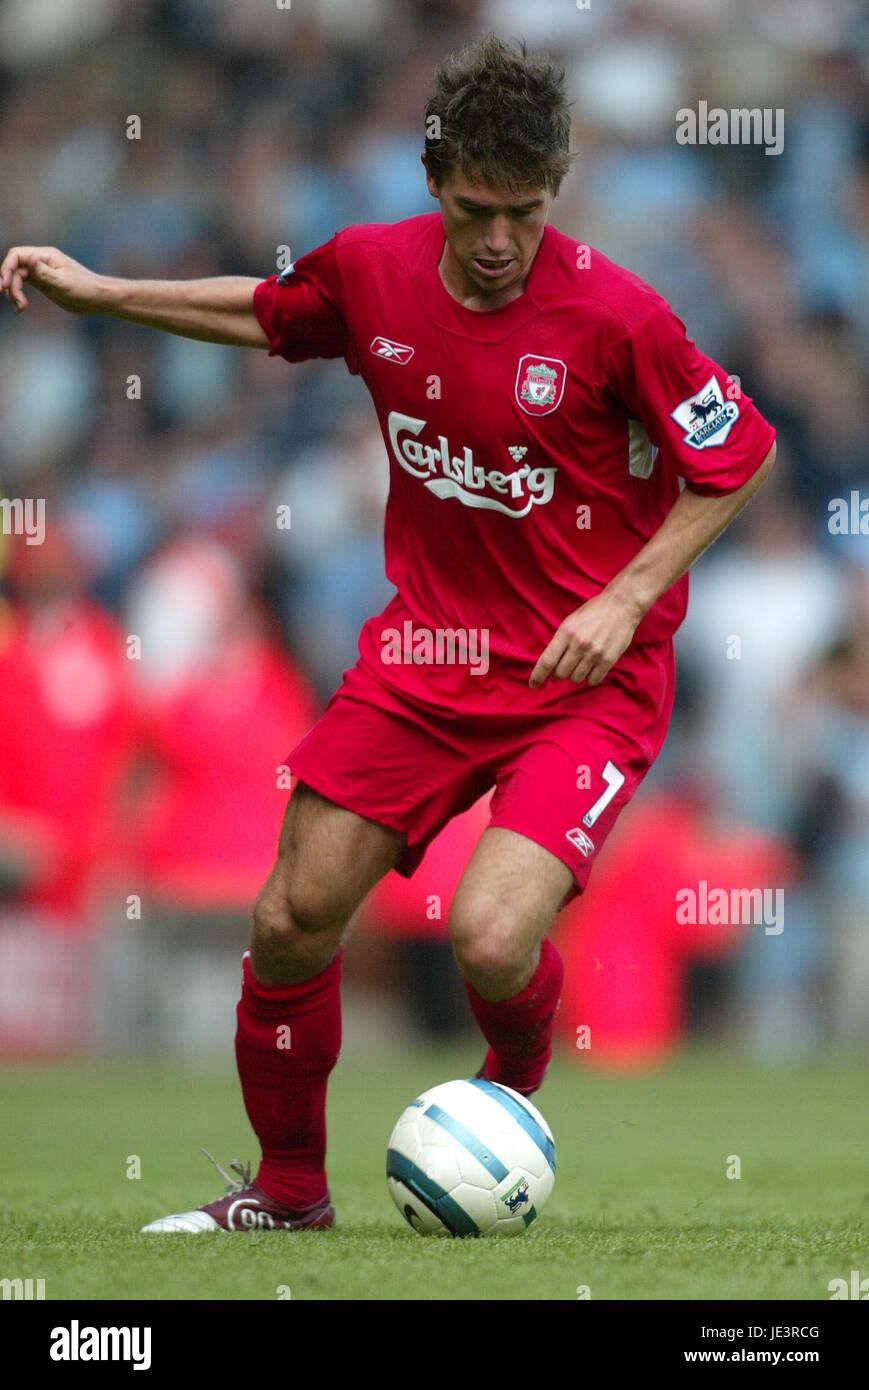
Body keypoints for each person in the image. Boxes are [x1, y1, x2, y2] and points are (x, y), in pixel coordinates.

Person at [1, 35, 776, 1234]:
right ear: (434, 179)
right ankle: (287, 1193)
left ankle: (510, 1089)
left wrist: (623, 597)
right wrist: (104, 292)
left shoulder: (619, 315)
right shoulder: (374, 273)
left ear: (554, 185)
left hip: (586, 680)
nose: (500, 237)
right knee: (289, 916)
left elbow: (738, 453)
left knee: (488, 934)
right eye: (477, 208)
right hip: (425, 661)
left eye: (525, 209)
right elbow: (267, 314)